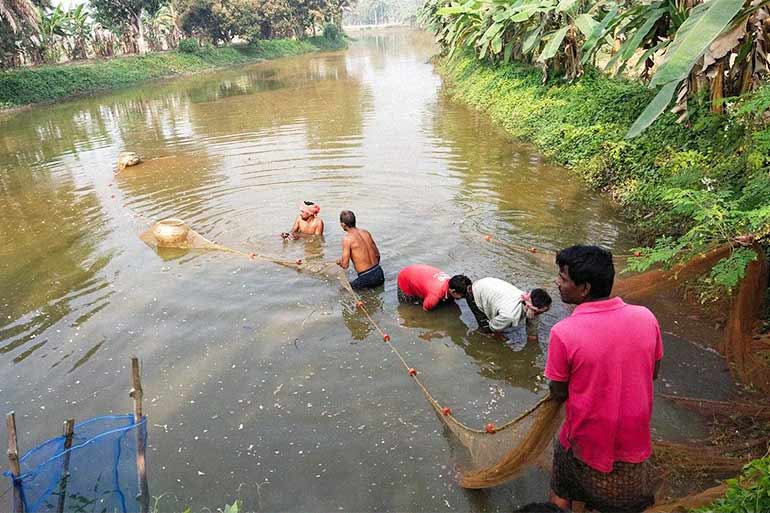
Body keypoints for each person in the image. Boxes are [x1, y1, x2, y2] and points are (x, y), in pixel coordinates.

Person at [545, 245, 663, 513]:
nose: (557, 283)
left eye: (563, 278)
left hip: (583, 442)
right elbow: (653, 372)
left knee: (561, 493)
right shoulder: (646, 317)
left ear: (584, 288)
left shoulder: (564, 332)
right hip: (634, 441)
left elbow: (559, 390)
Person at [448, 275, 551, 342]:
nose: (539, 314)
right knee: (486, 329)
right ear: (530, 306)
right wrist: (500, 337)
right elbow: (493, 326)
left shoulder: (531, 304)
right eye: (538, 312)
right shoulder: (509, 315)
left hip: (489, 283)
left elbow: (532, 328)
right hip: (477, 291)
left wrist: (533, 341)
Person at [336, 210, 384, 289]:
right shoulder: (366, 233)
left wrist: (339, 262)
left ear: (343, 225)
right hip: (379, 272)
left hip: (366, 277)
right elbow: (377, 255)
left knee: (343, 291)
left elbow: (345, 265)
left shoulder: (347, 239)